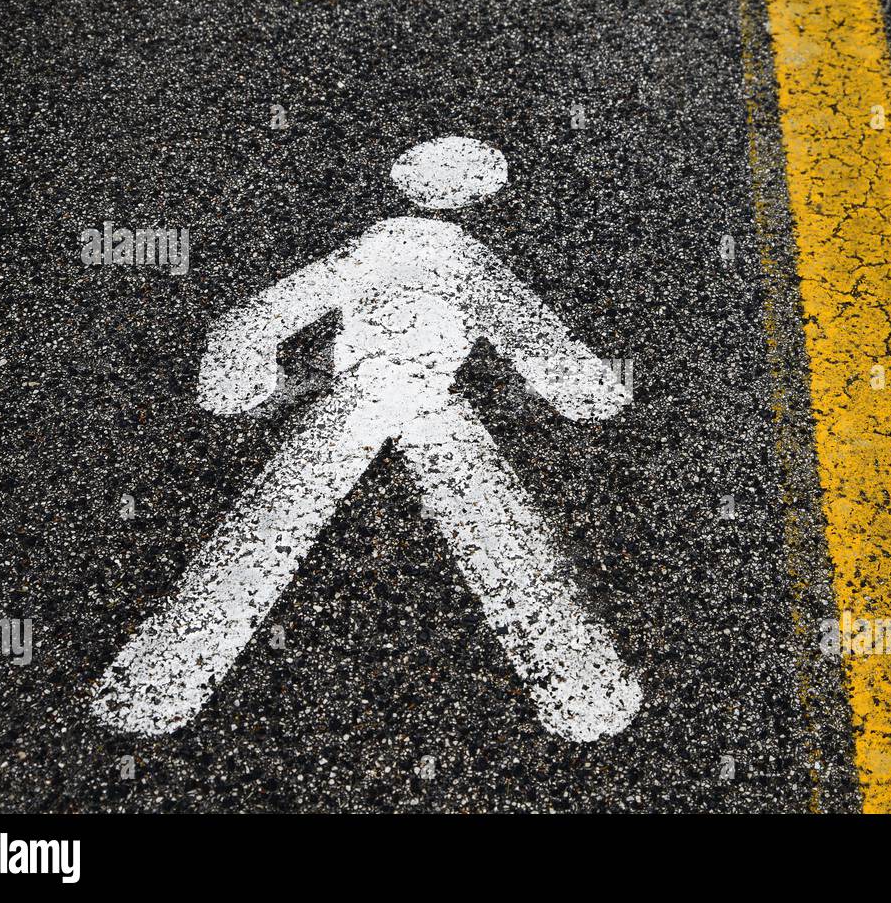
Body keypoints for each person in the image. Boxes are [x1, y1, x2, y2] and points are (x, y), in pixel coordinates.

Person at [94, 136, 641, 742]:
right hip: (427, 401)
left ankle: (156, 684)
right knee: (502, 538)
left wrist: (239, 386)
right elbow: (540, 346)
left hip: (358, 397)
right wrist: (593, 392)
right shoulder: (462, 258)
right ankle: (585, 692)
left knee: (268, 532)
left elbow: (258, 319)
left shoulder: (374, 249)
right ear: (483, 197)